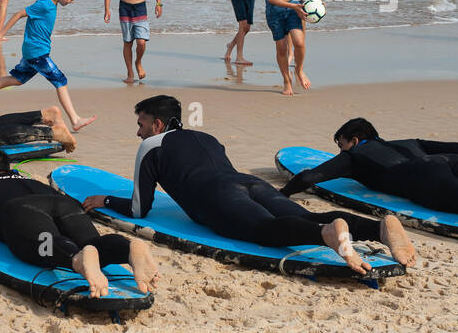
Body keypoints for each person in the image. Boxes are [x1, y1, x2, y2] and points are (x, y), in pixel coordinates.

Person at [79, 96, 417, 273]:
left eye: (140, 124)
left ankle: (326, 235)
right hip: (247, 183)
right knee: (298, 217)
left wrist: (105, 200)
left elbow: (140, 207)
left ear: (157, 124)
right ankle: (380, 230)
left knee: (266, 231)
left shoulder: (150, 146)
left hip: (216, 196)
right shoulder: (205, 135)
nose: (137, 131)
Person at [0, 147, 159, 296]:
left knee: (47, 246)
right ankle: (128, 249)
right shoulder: (34, 182)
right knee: (93, 243)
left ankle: (77, 259)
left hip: (22, 211)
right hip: (63, 204)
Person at [281, 118, 458, 217]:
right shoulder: (408, 142)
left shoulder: (353, 157)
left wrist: (281, 195)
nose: (341, 150)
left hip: (424, 176)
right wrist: (442, 162)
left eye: (341, 144)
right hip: (447, 161)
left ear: (355, 141)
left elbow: (310, 176)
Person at [0, 0, 96, 134]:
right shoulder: (44, 4)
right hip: (37, 52)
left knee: (17, 79)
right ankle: (75, 119)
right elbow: (19, 14)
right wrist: (1, 32)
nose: (71, 2)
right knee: (60, 80)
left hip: (33, 51)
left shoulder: (52, 3)